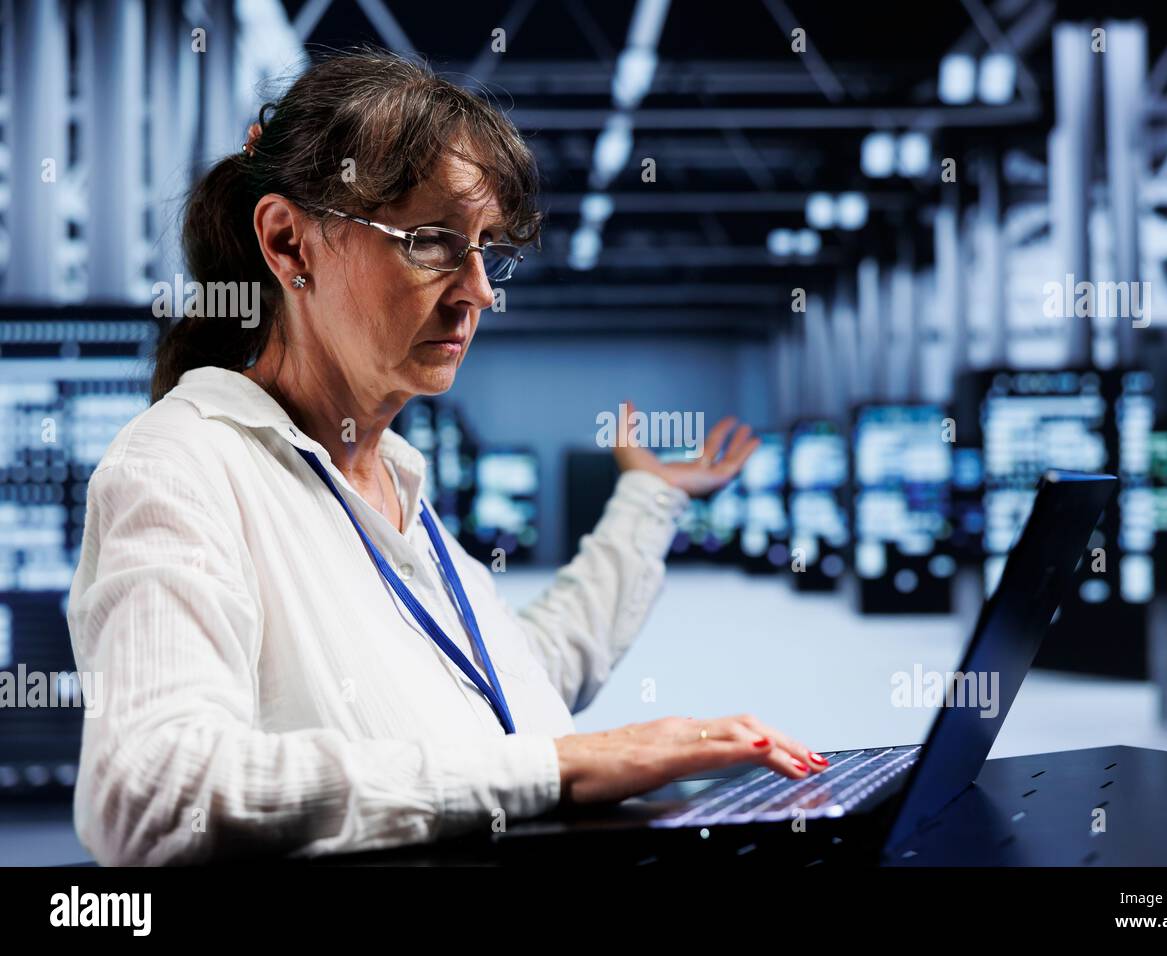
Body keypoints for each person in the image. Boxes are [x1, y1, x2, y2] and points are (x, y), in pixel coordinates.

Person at [67, 49, 827, 866]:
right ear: (289, 245)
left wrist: (646, 500)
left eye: (488, 249)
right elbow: (153, 793)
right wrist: (559, 768)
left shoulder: (389, 478)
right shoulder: (184, 465)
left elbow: (513, 685)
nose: (480, 290)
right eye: (431, 241)